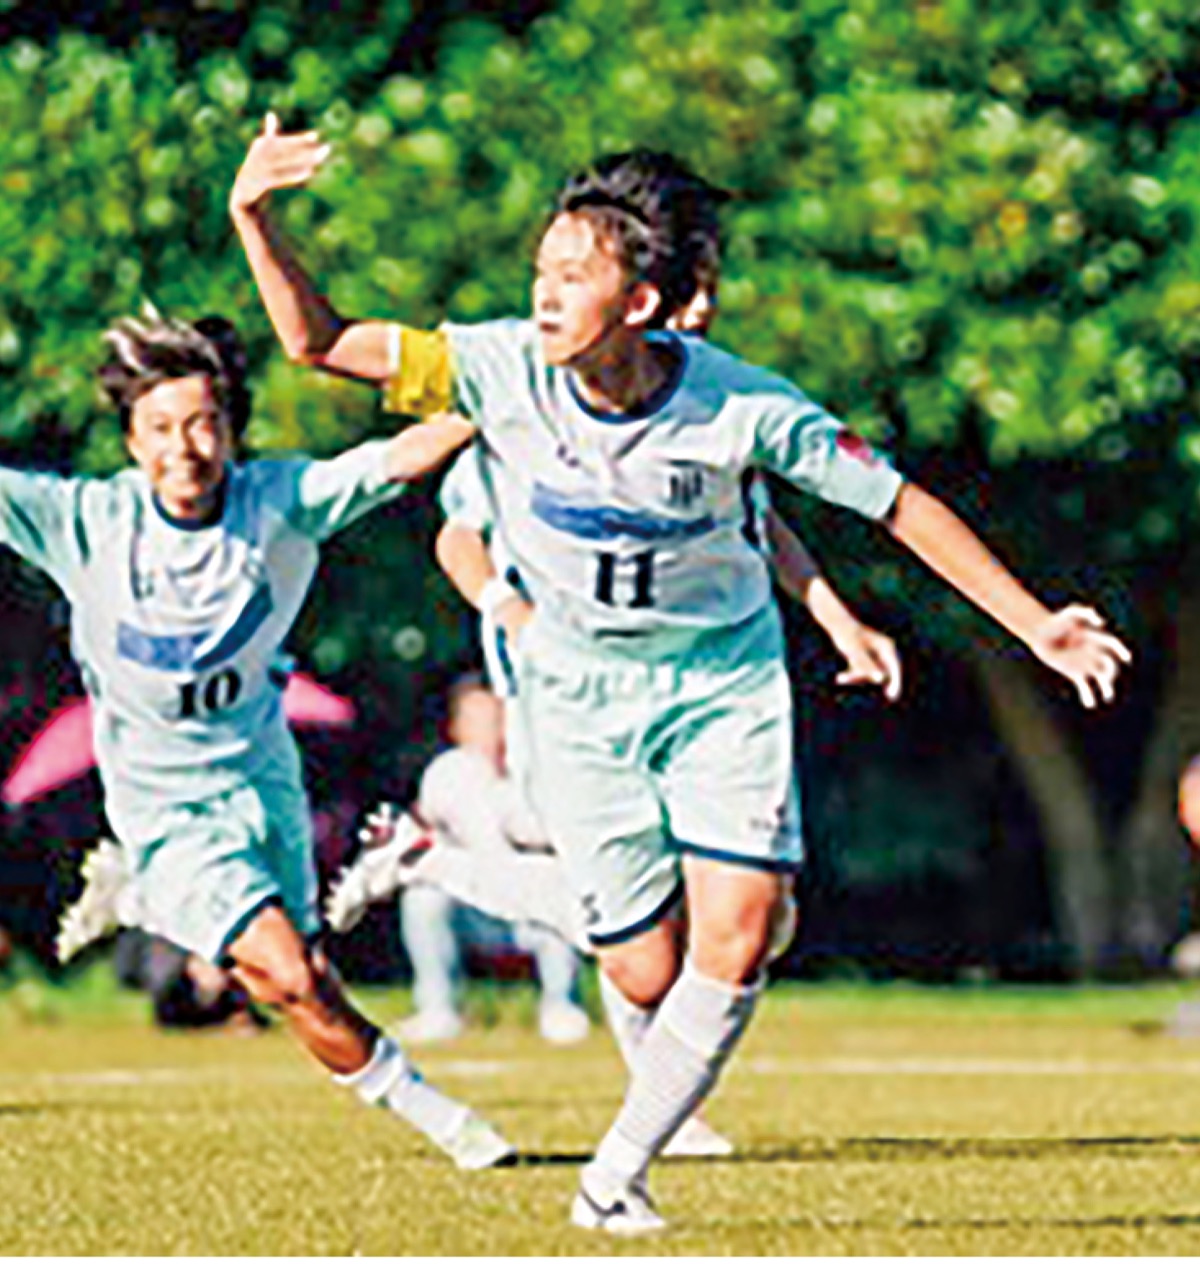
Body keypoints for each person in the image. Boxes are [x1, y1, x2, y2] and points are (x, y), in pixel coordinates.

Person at [231, 130, 1130, 1232]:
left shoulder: (742, 406)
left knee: (743, 931)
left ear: (646, 300)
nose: (545, 294)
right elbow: (319, 342)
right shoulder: (497, 367)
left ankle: (613, 1177)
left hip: (722, 685)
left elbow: (898, 505)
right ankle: (442, 866)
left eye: (575, 275)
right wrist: (255, 220)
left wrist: (1036, 622)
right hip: (574, 692)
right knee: (648, 970)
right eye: (542, 271)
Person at [5, 309, 513, 1170]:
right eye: (160, 429)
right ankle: (452, 1128)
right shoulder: (82, 519)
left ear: (232, 428)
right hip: (164, 807)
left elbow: (391, 458)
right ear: (131, 440)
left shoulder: (279, 500)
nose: (185, 448)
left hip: (261, 777)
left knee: (304, 973)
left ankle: (144, 900)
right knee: (292, 976)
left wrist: (516, 393)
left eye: (203, 424)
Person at [396, 675, 590, 1046]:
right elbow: (426, 836)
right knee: (422, 899)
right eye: (477, 721)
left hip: (528, 912)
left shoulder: (536, 772)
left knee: (557, 889)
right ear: (456, 728)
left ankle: (562, 1006)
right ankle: (438, 1010)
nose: (490, 731)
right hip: (474, 911)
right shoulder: (444, 774)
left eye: (497, 719)